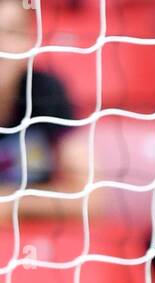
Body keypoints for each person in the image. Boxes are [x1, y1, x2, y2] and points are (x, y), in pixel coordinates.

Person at [0, 0, 89, 223]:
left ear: (30, 42)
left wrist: (12, 203)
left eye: (11, 32)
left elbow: (91, 198)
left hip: (35, 241)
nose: (1, 45)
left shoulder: (45, 92)